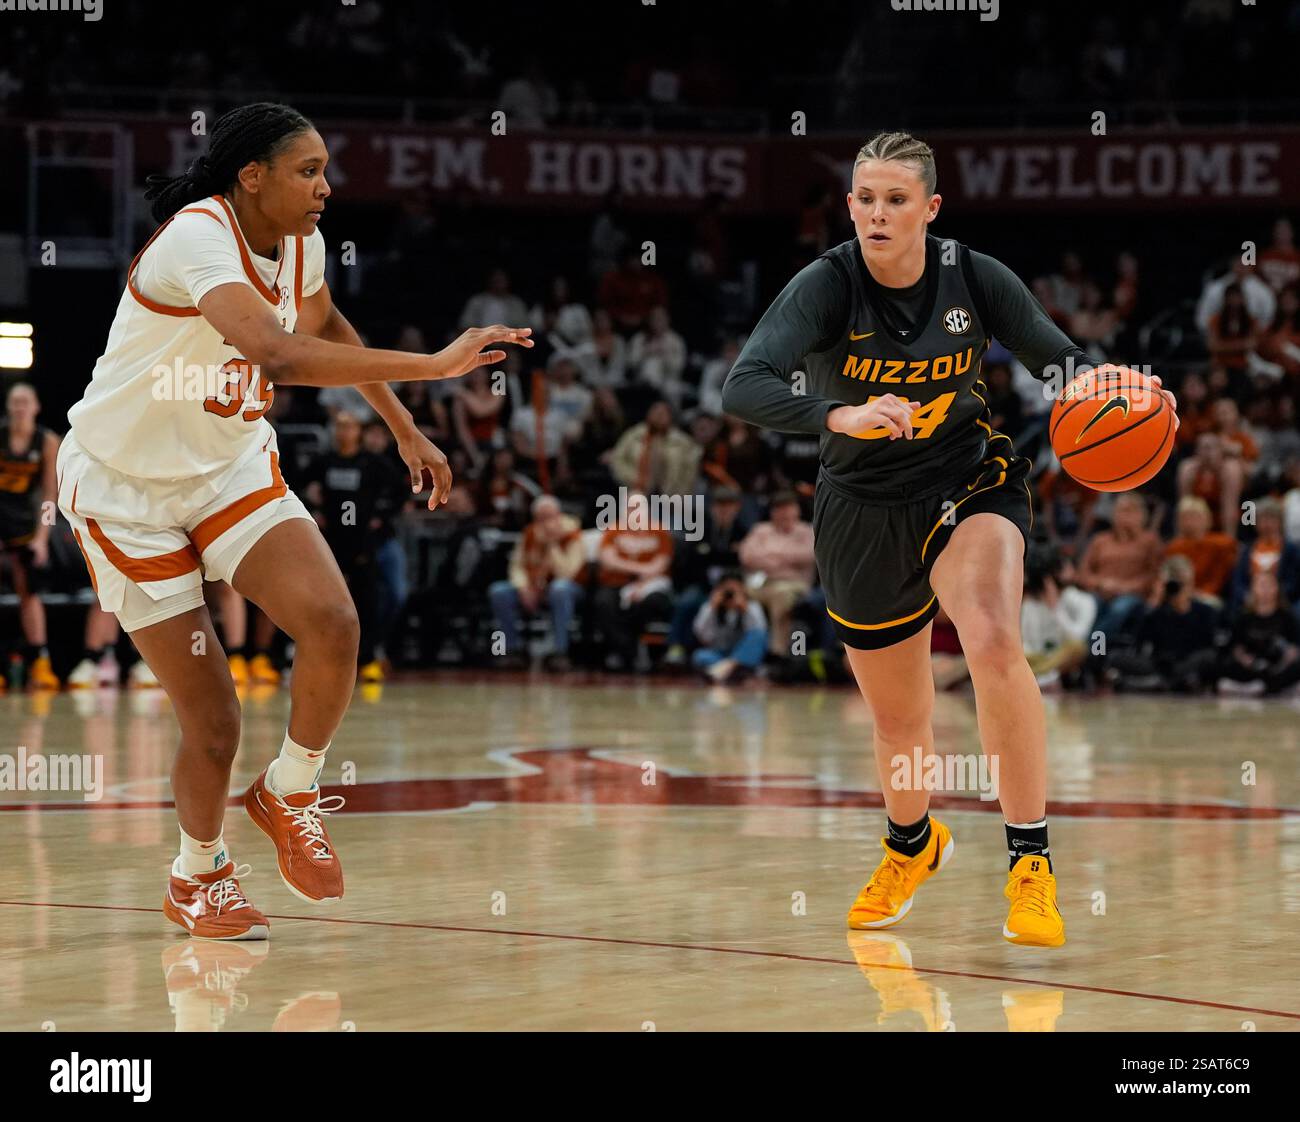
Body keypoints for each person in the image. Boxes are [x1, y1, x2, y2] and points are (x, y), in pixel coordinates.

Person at [56, 103, 532, 940]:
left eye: (324, 169)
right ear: (253, 176)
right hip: (126, 491)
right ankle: (195, 875)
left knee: (334, 622)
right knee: (213, 723)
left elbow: (321, 325)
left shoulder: (301, 243)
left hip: (227, 465)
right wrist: (431, 367)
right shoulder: (198, 236)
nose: (326, 186)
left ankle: (292, 787)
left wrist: (401, 424)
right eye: (308, 171)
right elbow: (278, 354)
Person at [721, 130, 1178, 949]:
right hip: (860, 506)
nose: (877, 213)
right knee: (901, 721)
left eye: (896, 199)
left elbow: (1060, 364)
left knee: (994, 639)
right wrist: (840, 414)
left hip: (969, 482)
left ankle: (1030, 864)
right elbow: (742, 386)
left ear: (930, 208)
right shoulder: (826, 286)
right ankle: (914, 845)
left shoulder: (975, 277)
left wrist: (1127, 393)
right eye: (865, 198)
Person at [0, 381, 60, 690]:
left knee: (29, 590)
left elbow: (50, 495)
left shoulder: (47, 441)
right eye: (15, 402)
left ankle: (40, 661)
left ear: (36, 406)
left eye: (26, 402)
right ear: (8, 408)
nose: (20, 407)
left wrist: (41, 538)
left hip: (24, 518)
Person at [487, 494, 585, 671]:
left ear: (559, 515)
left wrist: (552, 544)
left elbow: (568, 573)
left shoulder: (572, 534)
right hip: (533, 587)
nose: (546, 522)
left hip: (566, 589)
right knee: (499, 592)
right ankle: (512, 650)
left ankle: (559, 652)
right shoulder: (530, 534)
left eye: (550, 517)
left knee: (559, 589)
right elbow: (516, 566)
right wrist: (523, 588)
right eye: (541, 518)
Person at [691, 571, 768, 684]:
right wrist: (712, 609)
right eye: (728, 591)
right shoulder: (710, 608)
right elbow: (703, 636)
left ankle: (726, 669)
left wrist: (745, 610)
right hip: (720, 654)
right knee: (700, 656)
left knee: (758, 635)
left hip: (744, 651)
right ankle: (733, 669)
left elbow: (759, 634)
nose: (731, 595)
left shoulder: (752, 607)